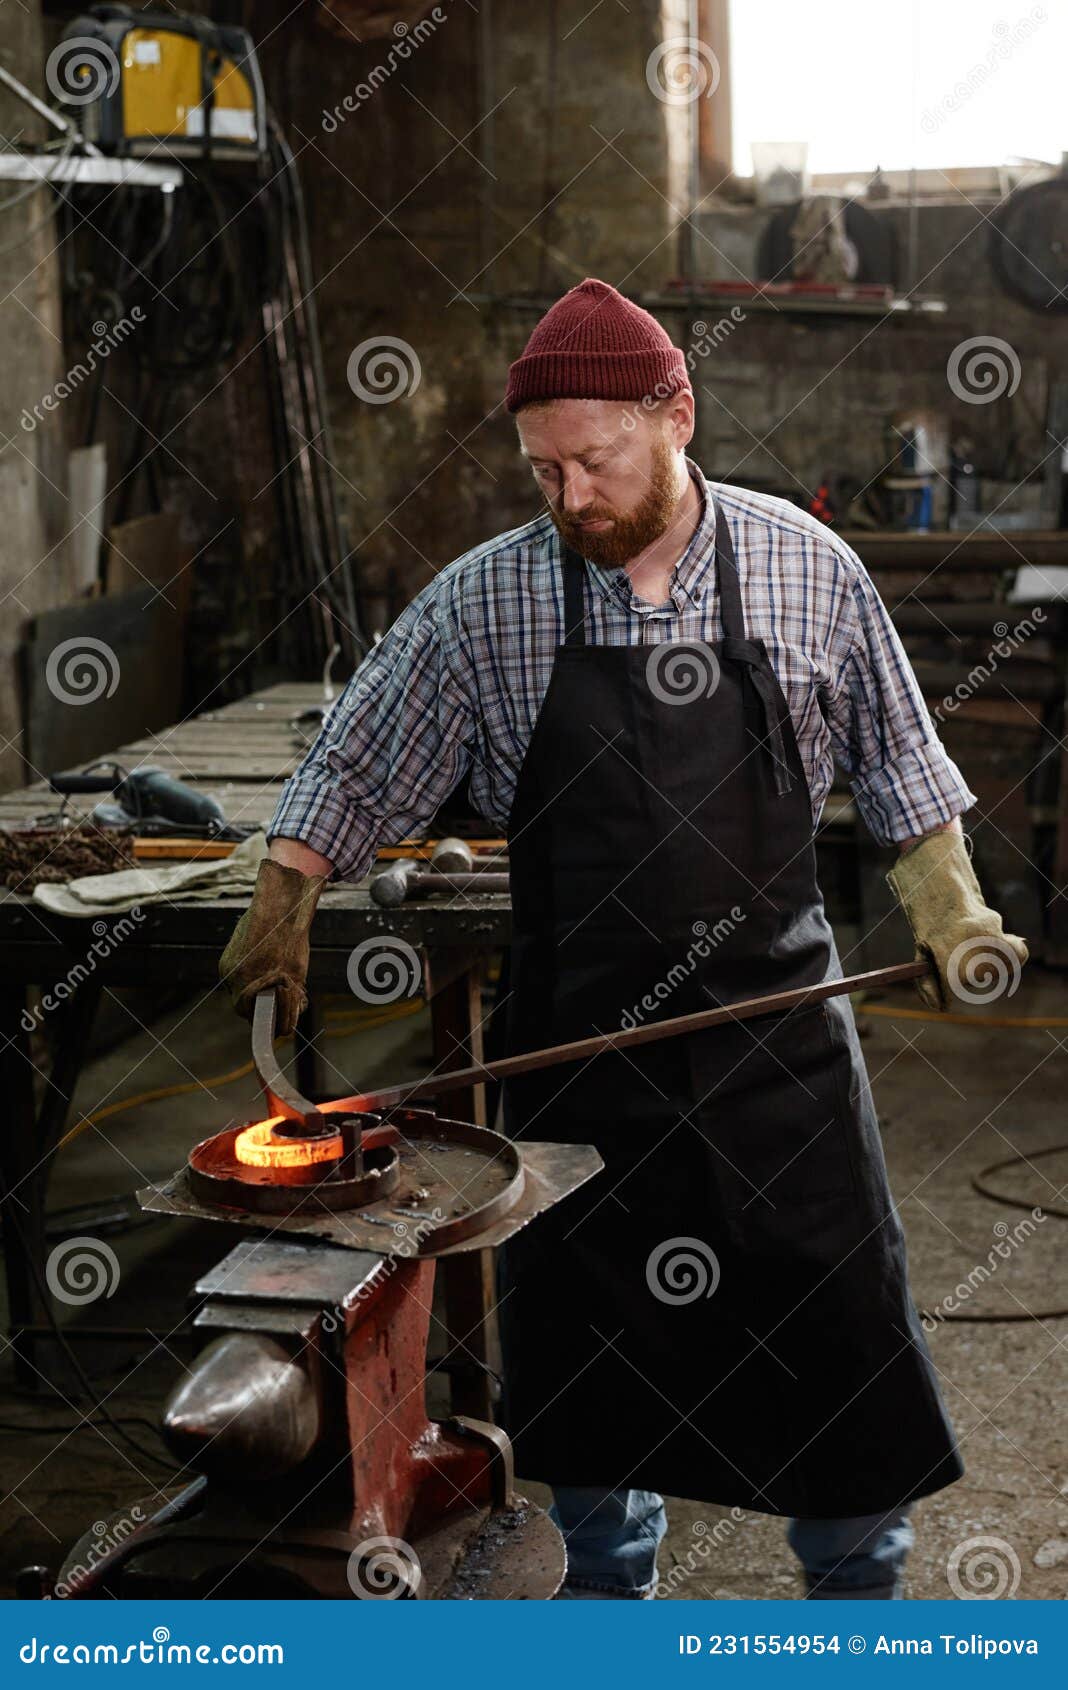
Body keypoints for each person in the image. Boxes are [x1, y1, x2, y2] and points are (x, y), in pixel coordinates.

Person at [220, 279, 1027, 1599]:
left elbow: (902, 769)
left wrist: (954, 912)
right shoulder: (487, 602)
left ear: (677, 418)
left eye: (596, 460)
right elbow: (359, 762)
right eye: (545, 471)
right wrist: (288, 889)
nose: (572, 496)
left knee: (846, 1412)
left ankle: (857, 1619)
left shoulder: (806, 567)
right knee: (601, 1446)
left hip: (783, 1073)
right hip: (581, 1075)